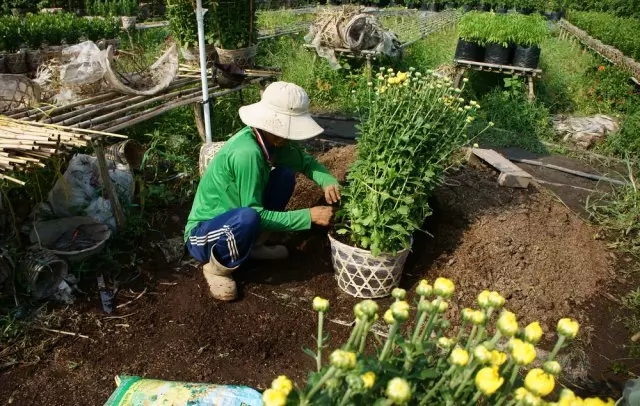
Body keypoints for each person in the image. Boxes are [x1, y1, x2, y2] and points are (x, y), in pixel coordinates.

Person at [184, 81, 340, 301]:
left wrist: (327, 180)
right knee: (248, 218)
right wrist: (308, 216)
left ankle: (252, 245)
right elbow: (254, 213)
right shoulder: (247, 154)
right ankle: (218, 268)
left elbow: (305, 163)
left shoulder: (272, 143)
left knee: (284, 176)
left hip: (238, 219)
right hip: (204, 234)